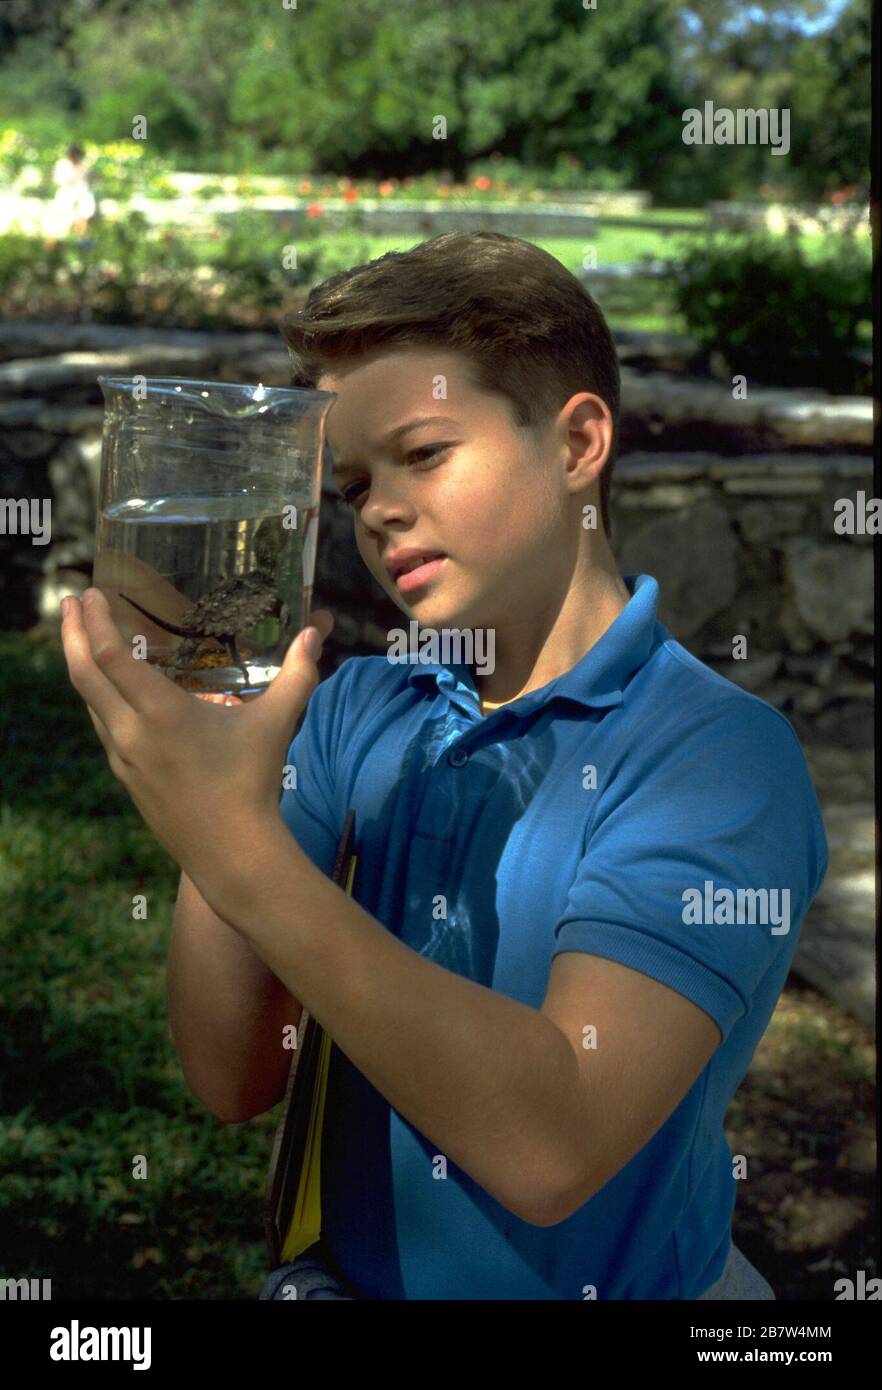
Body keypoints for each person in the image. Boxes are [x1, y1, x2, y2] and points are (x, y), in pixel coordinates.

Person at [63, 231, 827, 1300]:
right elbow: (232, 1074)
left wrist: (232, 844)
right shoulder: (354, 713)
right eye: (355, 482)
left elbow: (552, 1148)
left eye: (423, 454)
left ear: (577, 444)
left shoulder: (716, 760)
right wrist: (215, 770)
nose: (377, 510)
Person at [50, 143, 96, 238]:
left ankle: (82, 239)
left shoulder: (84, 166)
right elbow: (59, 180)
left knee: (82, 219)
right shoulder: (62, 165)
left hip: (82, 197)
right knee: (61, 225)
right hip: (67, 197)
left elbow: (88, 183)